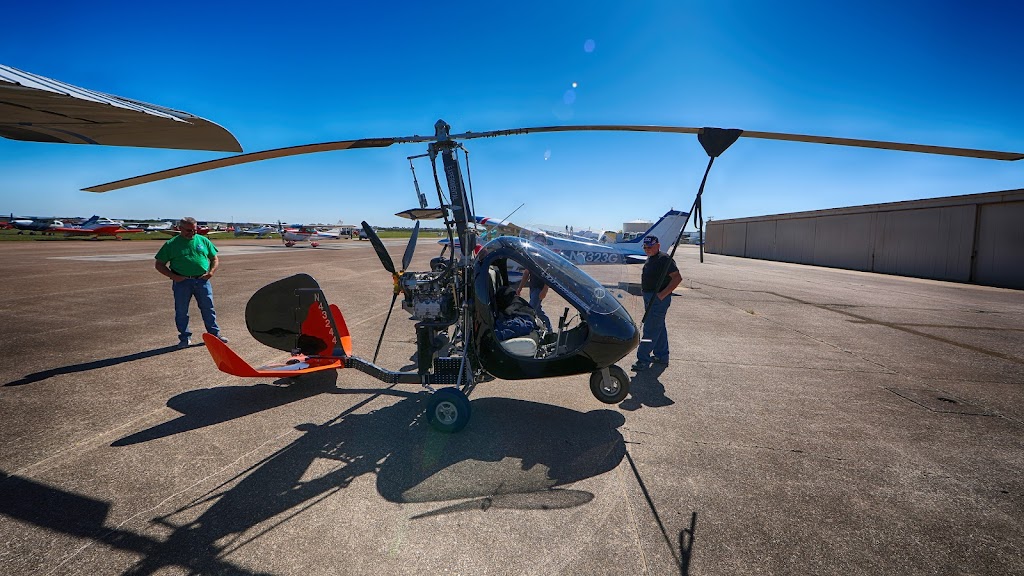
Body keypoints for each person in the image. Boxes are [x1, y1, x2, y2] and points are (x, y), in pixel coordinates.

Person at [155, 217, 228, 349]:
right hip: (182, 282)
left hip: (202, 280)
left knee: (208, 308)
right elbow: (159, 264)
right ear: (180, 229)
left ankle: (214, 334)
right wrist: (173, 276)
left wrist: (211, 272)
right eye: (189, 230)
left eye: (195, 230)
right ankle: (185, 337)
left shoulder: (203, 240)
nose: (192, 233)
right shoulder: (171, 244)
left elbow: (214, 258)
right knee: (182, 311)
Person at [632, 235, 682, 371]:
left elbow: (677, 278)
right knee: (658, 326)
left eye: (650, 247)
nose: (647, 249)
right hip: (649, 297)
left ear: (658, 246)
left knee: (651, 328)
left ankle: (643, 359)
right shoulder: (651, 258)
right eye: (645, 247)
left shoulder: (664, 259)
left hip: (658, 299)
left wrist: (662, 295)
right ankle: (661, 355)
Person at [516, 267, 553, 332]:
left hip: (539, 288)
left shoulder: (543, 262)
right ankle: (549, 330)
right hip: (533, 287)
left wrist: (545, 289)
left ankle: (526, 329)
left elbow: (549, 274)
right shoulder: (531, 261)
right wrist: (520, 288)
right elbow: (526, 273)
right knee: (537, 310)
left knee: (531, 309)